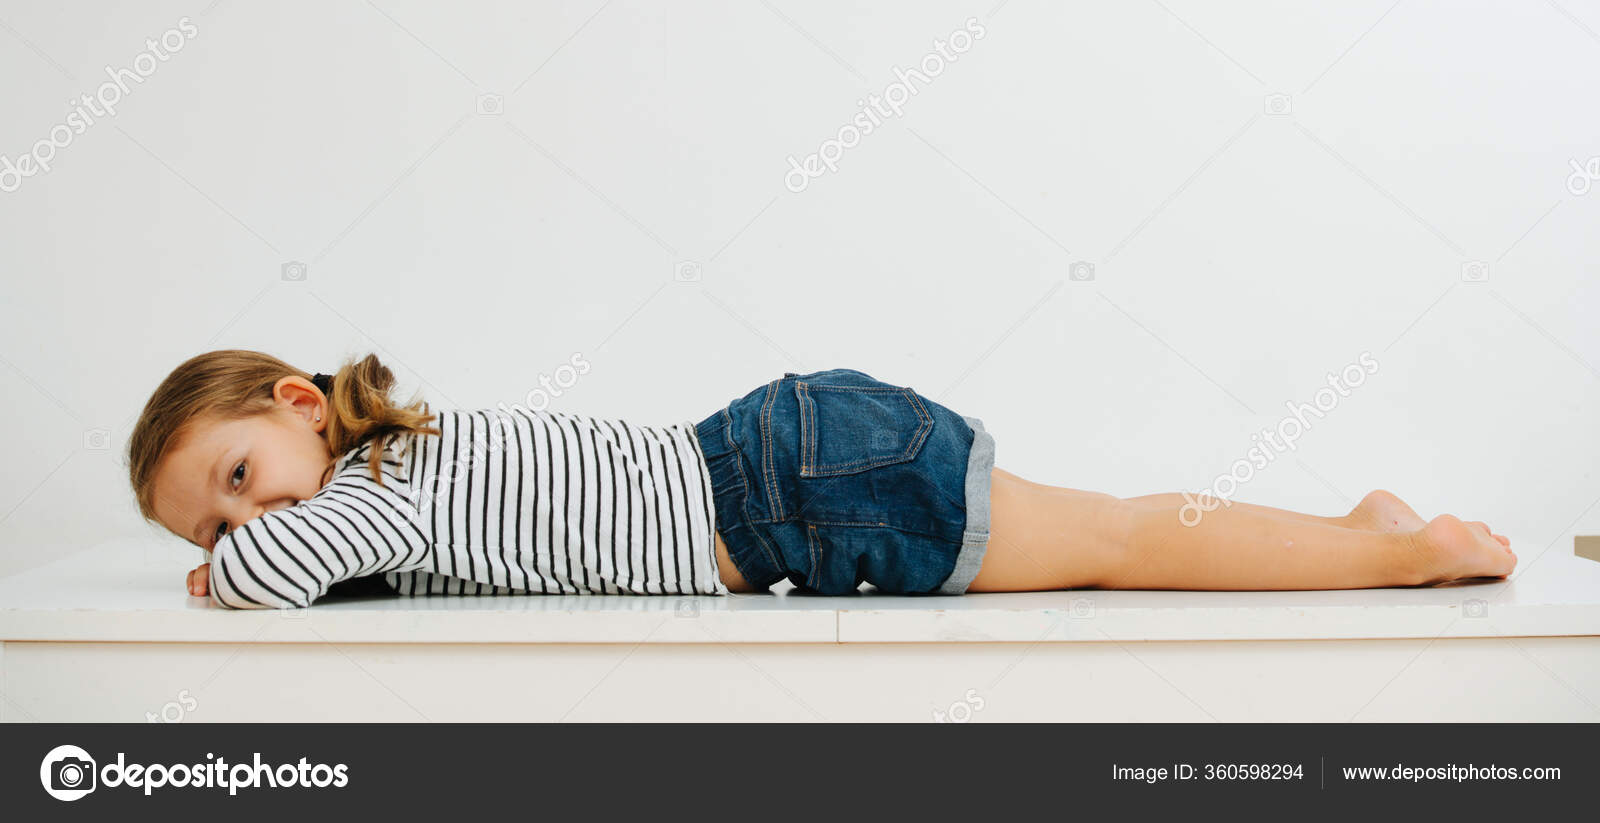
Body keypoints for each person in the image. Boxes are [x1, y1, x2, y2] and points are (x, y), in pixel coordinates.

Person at [126, 350, 1516, 610]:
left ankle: (1407, 553)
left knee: (1116, 546)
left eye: (239, 476)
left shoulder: (381, 480)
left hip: (794, 490)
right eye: (216, 521)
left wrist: (226, 571)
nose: (248, 521)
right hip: (790, 458)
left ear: (301, 405)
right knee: (1111, 530)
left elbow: (282, 572)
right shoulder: (401, 482)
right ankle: (1360, 528)